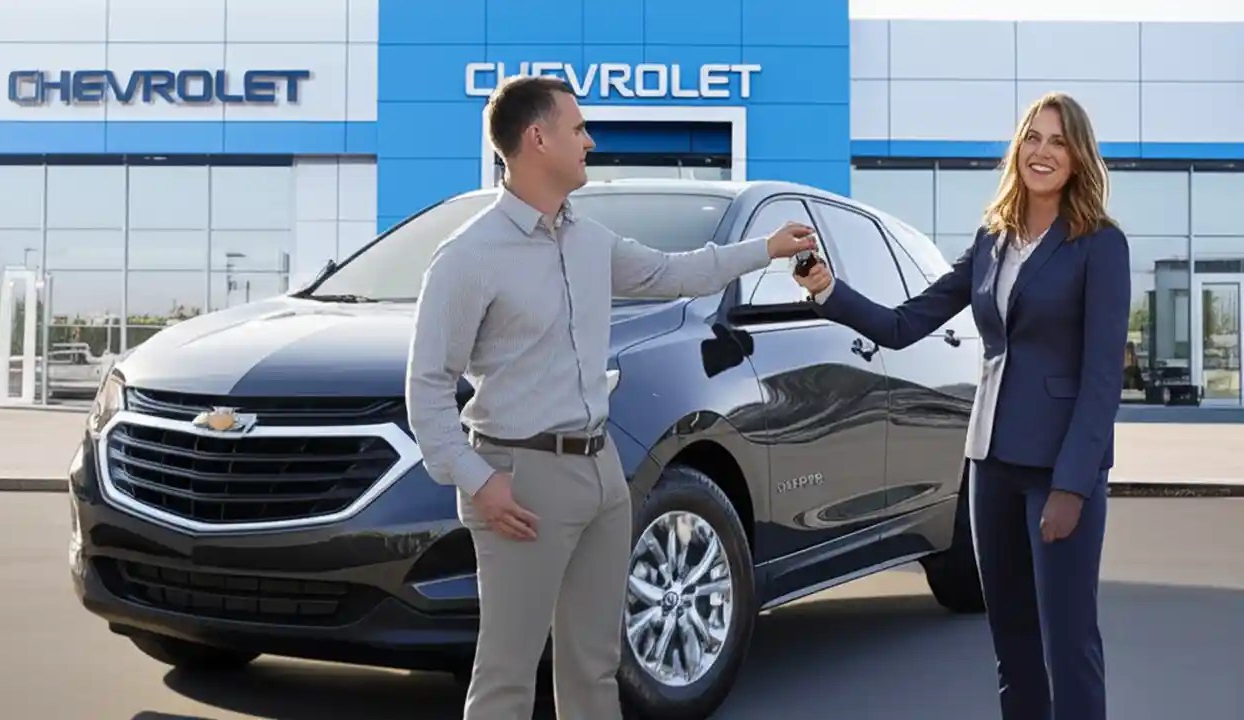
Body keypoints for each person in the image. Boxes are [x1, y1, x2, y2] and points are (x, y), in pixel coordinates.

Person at [405, 75, 817, 720]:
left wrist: (764, 249)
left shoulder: (589, 240)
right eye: (577, 128)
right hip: (521, 480)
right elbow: (426, 387)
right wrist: (478, 482)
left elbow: (675, 273)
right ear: (537, 139)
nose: (590, 141)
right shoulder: (468, 256)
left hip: (602, 473)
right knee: (507, 676)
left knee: (596, 668)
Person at [793, 91, 1128, 720]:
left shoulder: (1100, 245)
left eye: (1058, 141)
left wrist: (1073, 485)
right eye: (1033, 138)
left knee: (1069, 644)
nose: (1043, 151)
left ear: (1079, 156)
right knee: (1013, 647)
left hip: (1058, 471)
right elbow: (904, 323)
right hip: (989, 464)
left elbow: (1102, 377)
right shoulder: (992, 240)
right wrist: (829, 291)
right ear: (1018, 149)